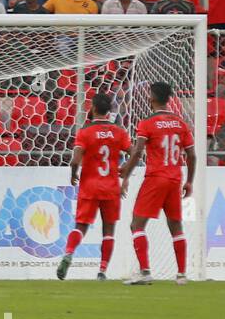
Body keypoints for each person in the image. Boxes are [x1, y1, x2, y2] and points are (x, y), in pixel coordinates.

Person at [117, 83, 196, 285]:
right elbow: (192, 155)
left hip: (155, 177)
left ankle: (145, 272)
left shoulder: (147, 123)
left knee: (136, 224)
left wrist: (126, 174)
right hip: (175, 178)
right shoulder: (181, 122)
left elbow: (137, 152)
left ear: (151, 97)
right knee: (176, 226)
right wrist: (189, 181)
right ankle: (181, 275)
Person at [58, 93, 130, 281]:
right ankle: (102, 271)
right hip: (111, 187)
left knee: (80, 226)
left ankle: (68, 252)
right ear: (109, 111)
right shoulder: (118, 132)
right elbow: (135, 153)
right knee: (109, 230)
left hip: (90, 186)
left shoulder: (85, 132)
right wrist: (126, 174)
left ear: (93, 108)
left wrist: (74, 175)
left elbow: (75, 160)